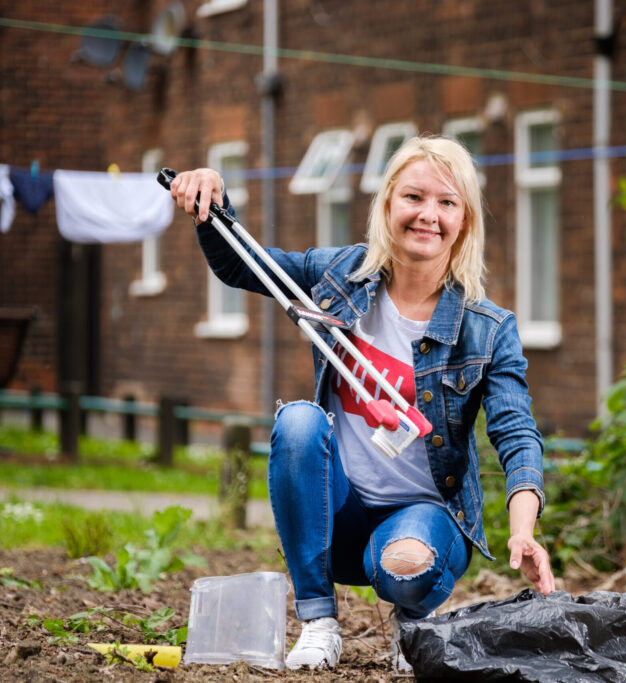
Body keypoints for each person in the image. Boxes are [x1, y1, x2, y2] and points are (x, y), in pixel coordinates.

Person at [169, 136, 555, 671]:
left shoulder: (487, 328)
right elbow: (243, 267)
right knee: (298, 421)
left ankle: (411, 625)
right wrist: (213, 202)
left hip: (423, 521)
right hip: (338, 518)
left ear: (464, 220)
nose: (428, 215)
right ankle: (319, 621)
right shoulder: (338, 275)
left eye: (447, 202)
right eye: (414, 197)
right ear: (387, 205)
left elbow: (516, 432)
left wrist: (523, 530)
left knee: (405, 567)